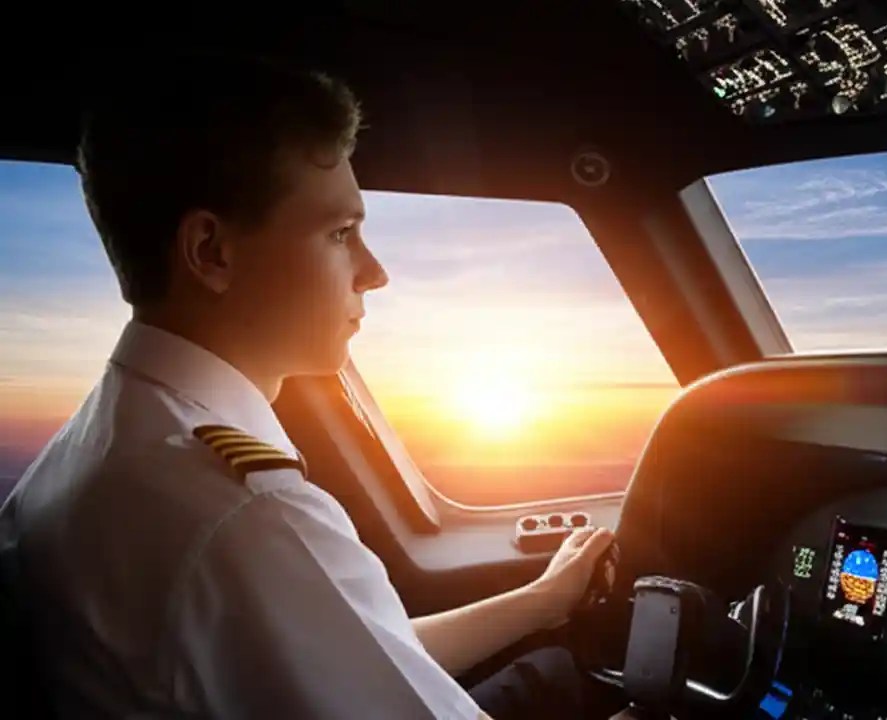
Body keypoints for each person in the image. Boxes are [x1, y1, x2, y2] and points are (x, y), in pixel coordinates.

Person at [0, 53, 624, 719]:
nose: (374, 272)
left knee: (550, 666)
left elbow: (357, 656)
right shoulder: (248, 519)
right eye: (340, 233)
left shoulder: (106, 440)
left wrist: (542, 601)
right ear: (211, 252)